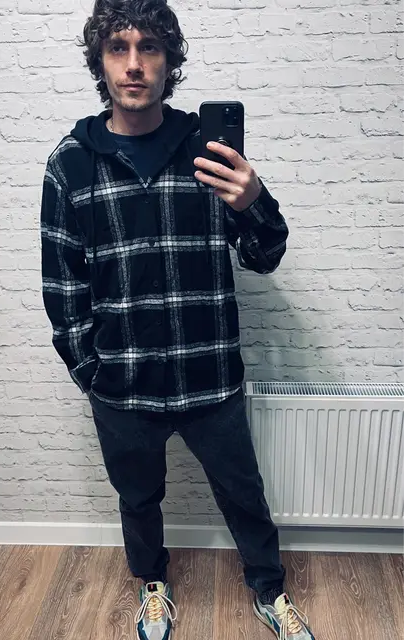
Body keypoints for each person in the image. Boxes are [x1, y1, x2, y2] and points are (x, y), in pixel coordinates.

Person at [40, 1, 315, 638]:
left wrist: (253, 202)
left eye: (150, 48)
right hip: (123, 385)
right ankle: (153, 585)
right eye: (118, 47)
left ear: (170, 62)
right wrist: (92, 373)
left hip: (209, 377)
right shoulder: (70, 163)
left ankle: (269, 589)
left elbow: (265, 256)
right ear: (100, 61)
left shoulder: (206, 150)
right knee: (138, 499)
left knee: (244, 494)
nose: (134, 64)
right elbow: (62, 284)